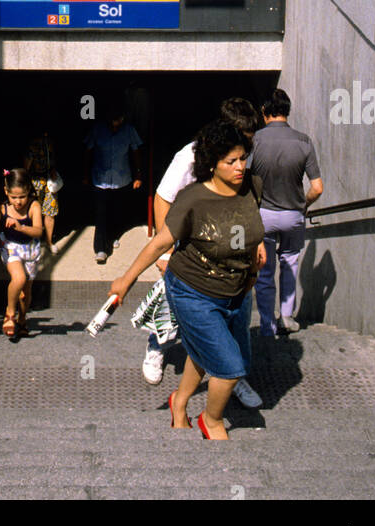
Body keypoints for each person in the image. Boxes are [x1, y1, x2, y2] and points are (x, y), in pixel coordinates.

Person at [110, 117, 266, 440]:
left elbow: (250, 227)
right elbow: (160, 243)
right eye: (231, 161)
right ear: (213, 165)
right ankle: (211, 420)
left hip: (236, 290)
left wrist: (252, 267)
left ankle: (178, 403)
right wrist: (126, 280)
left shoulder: (253, 185)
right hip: (193, 292)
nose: (240, 167)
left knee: (201, 352)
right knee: (231, 367)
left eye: (243, 158)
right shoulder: (194, 199)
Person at [139, 98, 263, 411]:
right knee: (171, 305)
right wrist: (165, 252)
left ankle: (235, 374)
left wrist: (256, 241)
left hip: (232, 258)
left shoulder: (242, 156)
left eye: (248, 146)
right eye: (242, 141)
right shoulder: (189, 157)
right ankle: (157, 347)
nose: (244, 156)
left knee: (239, 318)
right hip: (192, 252)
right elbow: (163, 198)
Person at [252, 88, 323, 338]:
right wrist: (302, 205)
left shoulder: (255, 140)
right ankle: (287, 318)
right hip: (293, 214)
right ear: (287, 111)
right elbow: (317, 188)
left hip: (263, 214)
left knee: (265, 270)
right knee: (290, 262)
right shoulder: (304, 141)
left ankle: (267, 324)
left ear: (264, 112)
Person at [83, 105, 142, 263]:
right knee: (101, 213)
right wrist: (85, 175)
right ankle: (101, 249)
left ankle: (112, 236)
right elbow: (88, 151)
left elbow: (136, 152)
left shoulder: (129, 130)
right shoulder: (97, 129)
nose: (115, 125)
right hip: (100, 178)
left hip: (121, 179)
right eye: (112, 122)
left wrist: (138, 175)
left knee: (116, 211)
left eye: (118, 122)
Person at [0, 169, 43, 338]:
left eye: (22, 197)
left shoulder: (34, 206)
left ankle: (22, 319)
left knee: (25, 293)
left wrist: (21, 227)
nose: (18, 201)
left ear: (28, 191)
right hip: (10, 246)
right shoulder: (2, 207)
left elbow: (38, 231)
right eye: (14, 197)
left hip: (29, 249)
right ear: (6, 192)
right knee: (19, 278)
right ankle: (10, 312)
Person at [24, 133, 61, 251]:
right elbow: (26, 166)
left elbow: (53, 159)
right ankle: (34, 240)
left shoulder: (49, 142)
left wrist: (53, 169)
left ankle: (49, 242)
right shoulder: (32, 145)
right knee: (34, 211)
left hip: (50, 180)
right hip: (35, 181)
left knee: (50, 212)